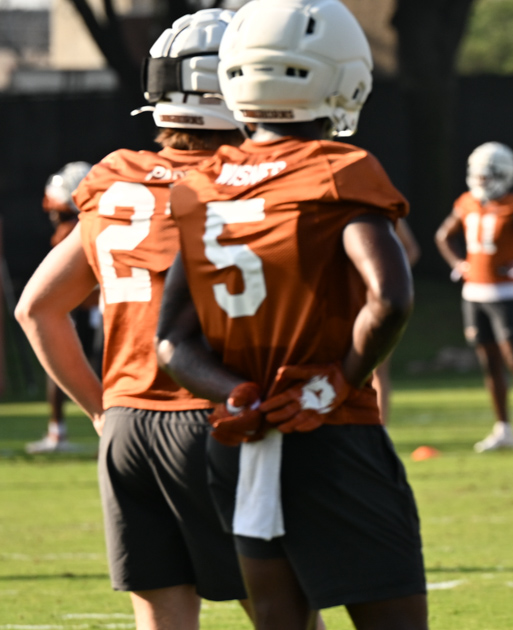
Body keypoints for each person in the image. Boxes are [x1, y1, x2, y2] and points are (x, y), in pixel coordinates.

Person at [154, 1, 426, 627]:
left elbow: (171, 342)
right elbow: (391, 297)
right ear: (340, 73)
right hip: (331, 436)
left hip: (241, 438)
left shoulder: (198, 187)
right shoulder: (340, 171)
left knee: (281, 621)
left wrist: (241, 394)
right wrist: (336, 383)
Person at [15, 10, 251, 628]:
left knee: (164, 619)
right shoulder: (244, 188)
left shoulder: (115, 179)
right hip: (218, 414)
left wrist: (100, 408)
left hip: (128, 427)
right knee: (283, 609)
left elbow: (36, 308)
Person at [435, 141, 513, 452]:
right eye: (478, 175)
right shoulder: (466, 202)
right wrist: (458, 264)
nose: (481, 181)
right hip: (473, 292)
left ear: (502, 175)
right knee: (488, 363)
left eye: (487, 176)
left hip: (504, 293)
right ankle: (503, 429)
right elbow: (442, 235)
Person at [26, 160, 100, 454]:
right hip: (85, 306)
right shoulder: (79, 226)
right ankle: (60, 431)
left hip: (99, 306)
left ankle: (67, 429)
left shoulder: (78, 229)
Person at [373, 218, 421, 424]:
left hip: (375, 300)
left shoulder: (384, 207)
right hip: (341, 301)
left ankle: (379, 430)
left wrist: (386, 277)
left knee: (377, 369)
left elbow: (412, 250)